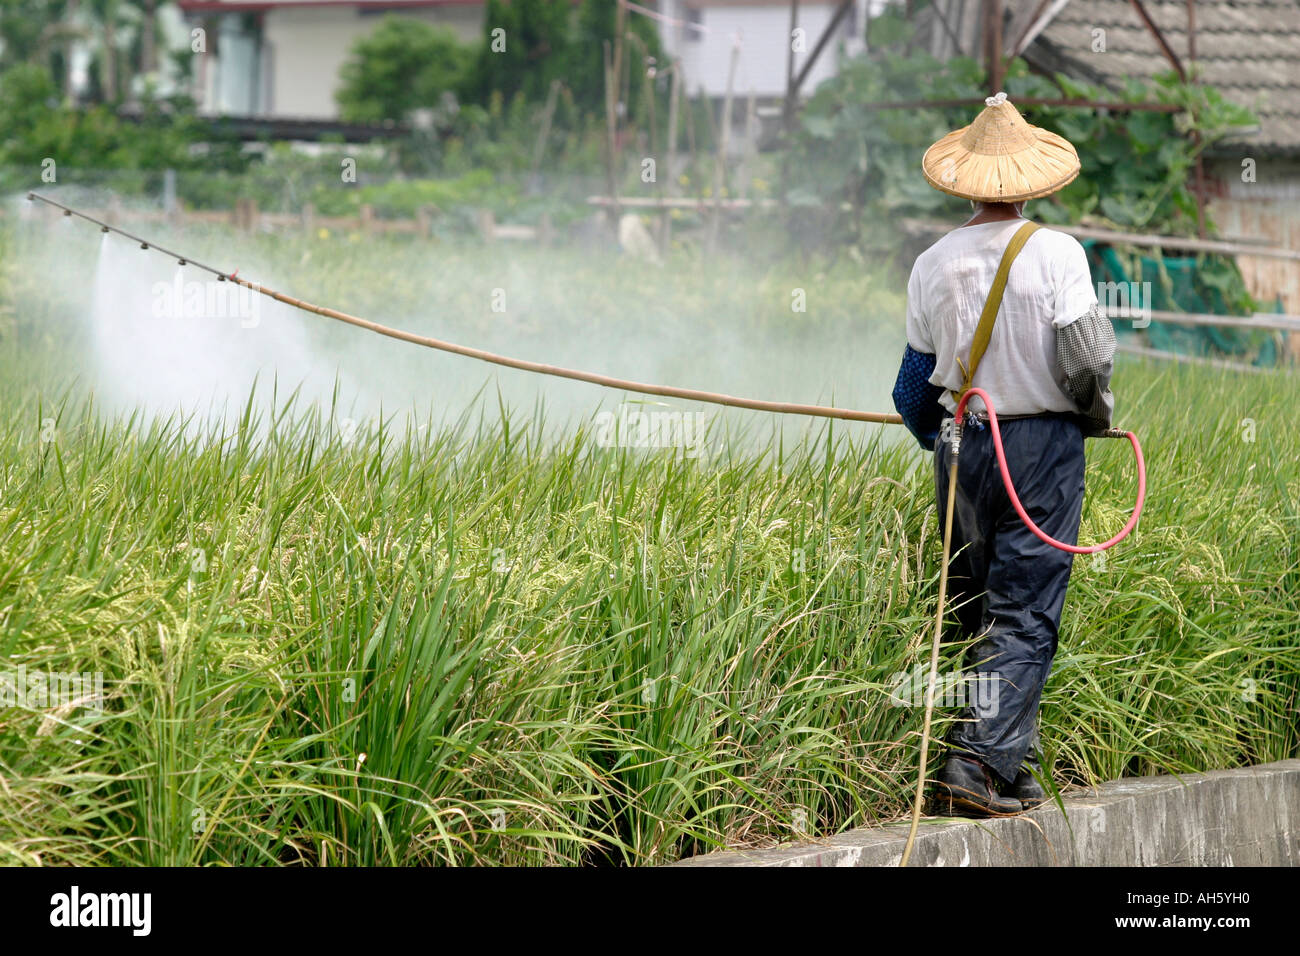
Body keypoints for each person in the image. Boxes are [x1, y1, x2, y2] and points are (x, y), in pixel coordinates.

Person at [891, 92, 1117, 818]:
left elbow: (909, 392)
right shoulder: (1057, 253)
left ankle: (1008, 766)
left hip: (961, 448)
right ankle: (975, 763)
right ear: (1030, 182)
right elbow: (1087, 362)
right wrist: (1093, 417)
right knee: (1025, 608)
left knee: (973, 601)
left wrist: (946, 437)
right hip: (1039, 449)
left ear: (966, 185)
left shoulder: (932, 262)